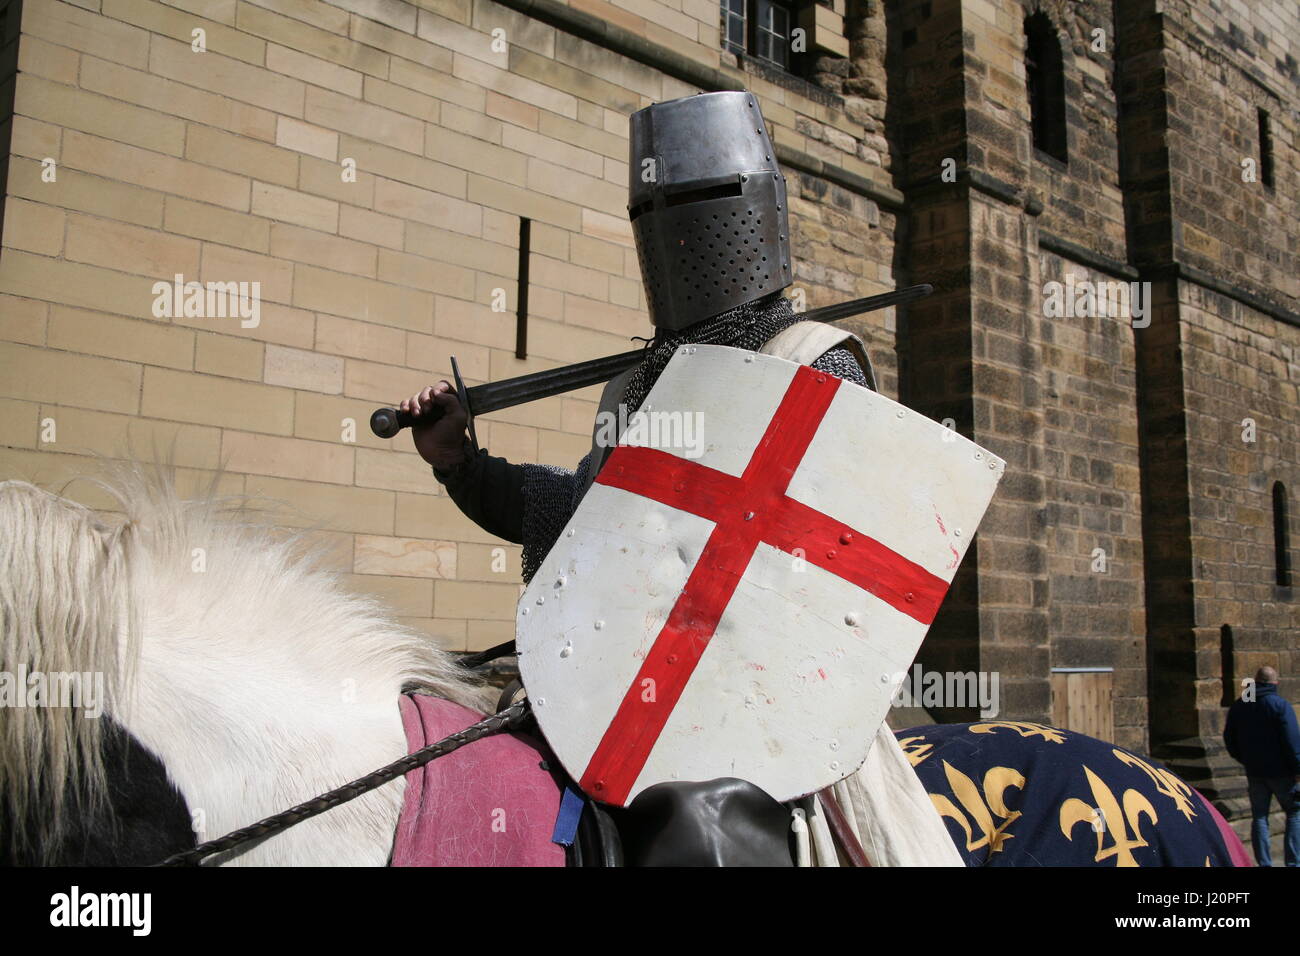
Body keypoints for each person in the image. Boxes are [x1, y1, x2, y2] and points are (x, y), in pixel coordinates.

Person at [400, 91, 960, 866]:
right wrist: (462, 465)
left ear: (758, 211)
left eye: (707, 205)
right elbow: (579, 522)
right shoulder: (633, 386)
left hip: (768, 704)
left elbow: (831, 576)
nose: (687, 236)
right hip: (628, 684)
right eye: (660, 213)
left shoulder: (812, 361)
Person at [1223, 665, 1300, 866]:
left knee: (1259, 817)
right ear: (1275, 683)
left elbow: (1229, 738)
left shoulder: (1240, 705)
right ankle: (1293, 863)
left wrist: (1244, 759)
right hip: (1282, 772)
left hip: (1255, 771)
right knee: (1294, 813)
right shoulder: (1280, 706)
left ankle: (1264, 863)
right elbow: (1292, 742)